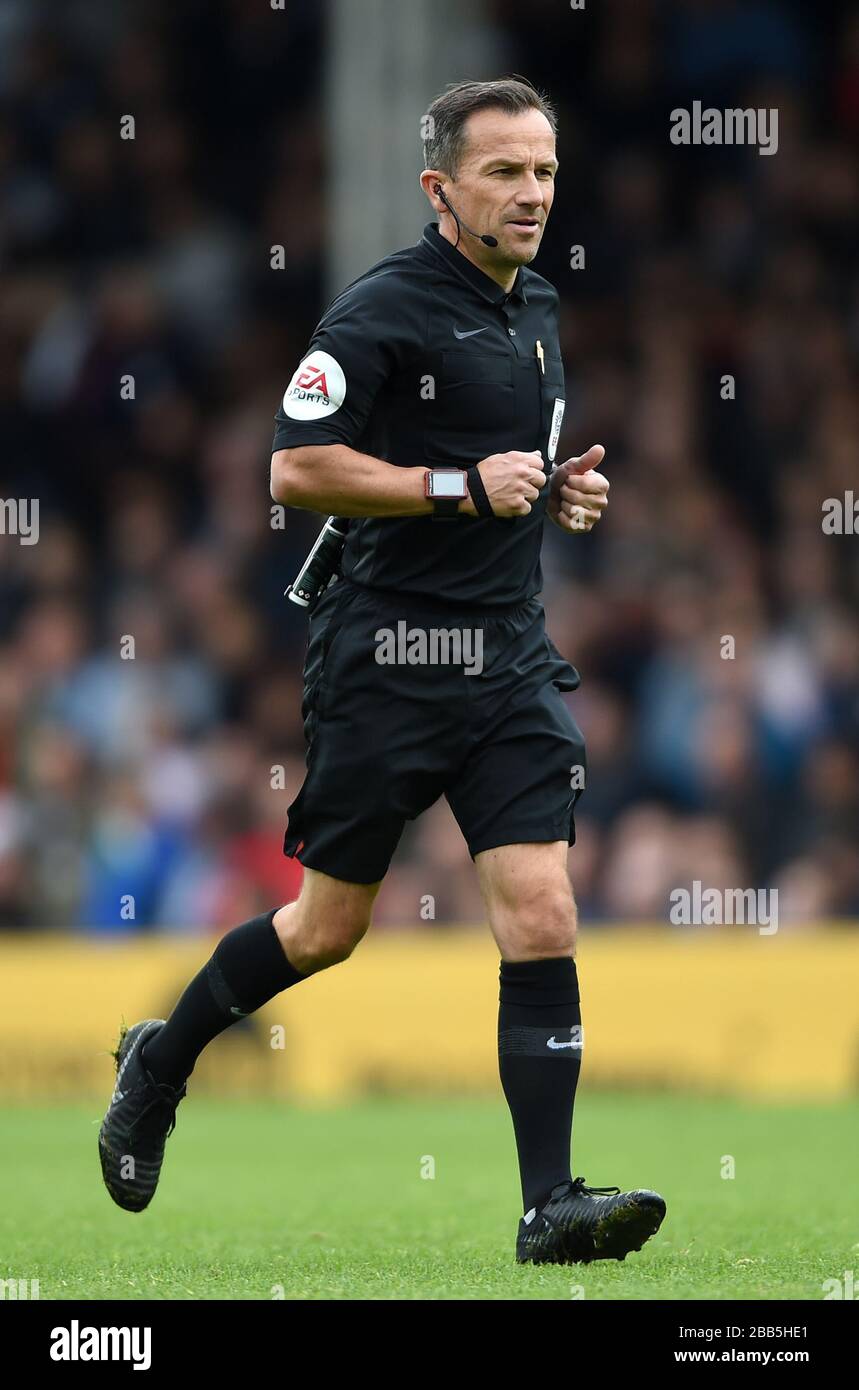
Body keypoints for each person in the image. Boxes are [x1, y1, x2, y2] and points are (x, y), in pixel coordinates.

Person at [98, 76, 665, 1266]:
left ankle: (547, 1205)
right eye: (503, 171)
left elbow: (498, 465)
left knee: (545, 912)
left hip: (507, 655)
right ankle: (163, 1056)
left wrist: (559, 496)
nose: (530, 193)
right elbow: (293, 470)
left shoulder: (541, 305)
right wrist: (457, 488)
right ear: (439, 188)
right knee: (325, 928)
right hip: (389, 658)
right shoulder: (383, 310)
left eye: (544, 171)